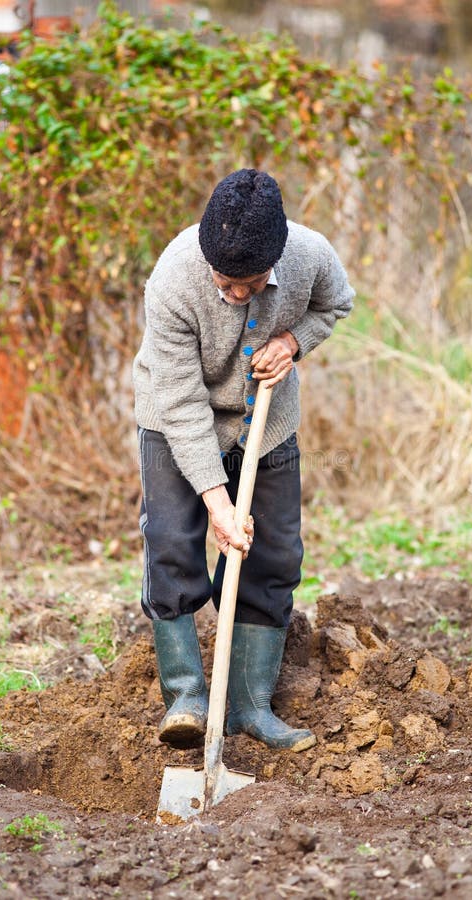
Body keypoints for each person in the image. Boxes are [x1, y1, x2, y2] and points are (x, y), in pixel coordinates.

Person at [133, 168, 354, 753]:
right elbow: (179, 401)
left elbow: (337, 303)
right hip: (175, 418)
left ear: (276, 261)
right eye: (223, 281)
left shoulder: (310, 255)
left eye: (248, 284)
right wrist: (217, 501)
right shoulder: (174, 280)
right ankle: (186, 697)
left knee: (275, 554)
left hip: (268, 422)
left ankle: (251, 706)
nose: (233, 294)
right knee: (175, 545)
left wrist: (292, 342)